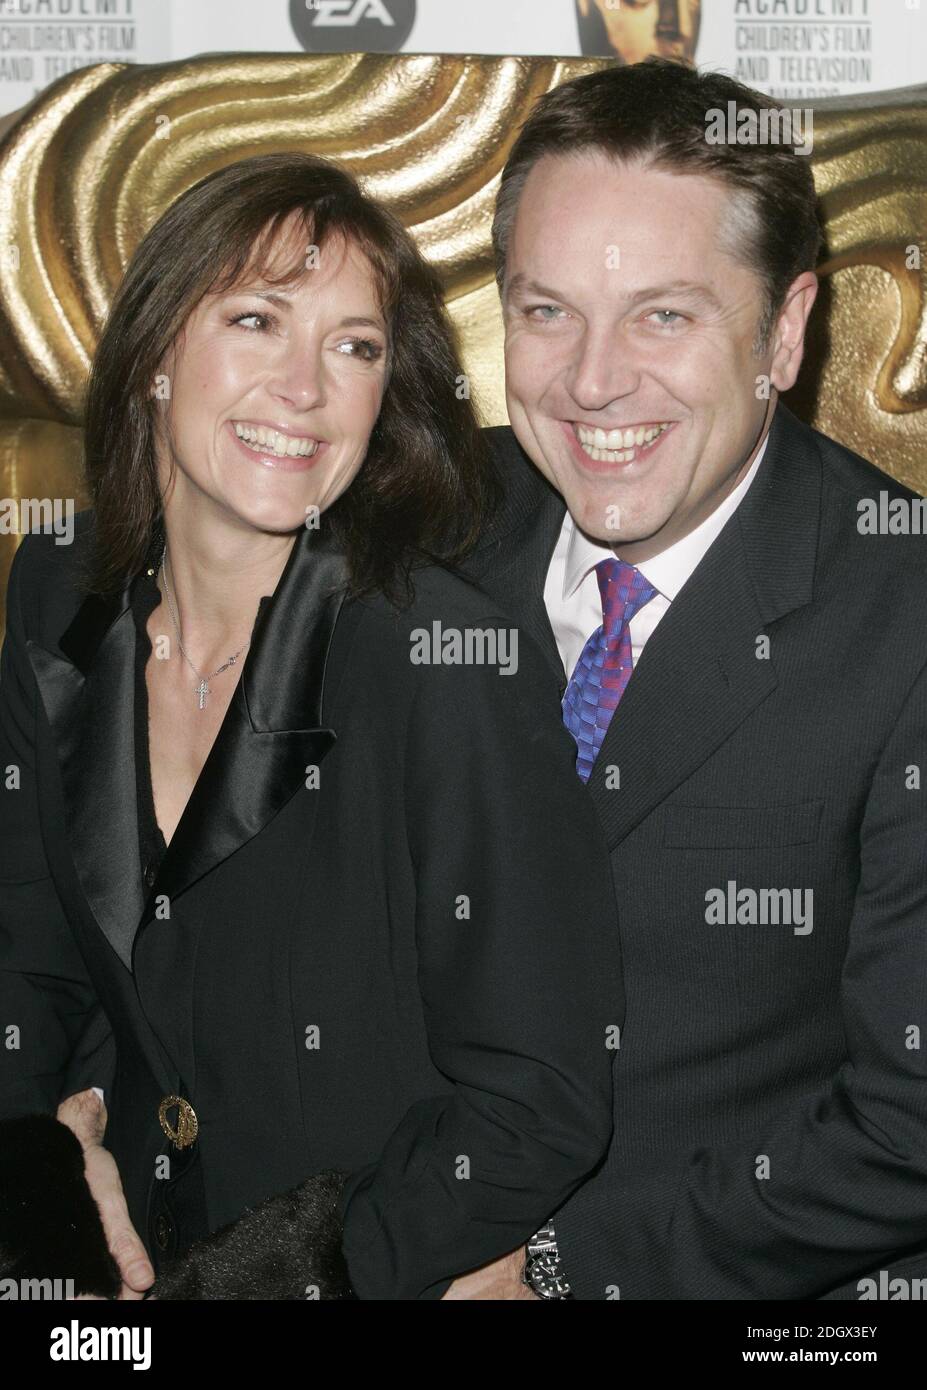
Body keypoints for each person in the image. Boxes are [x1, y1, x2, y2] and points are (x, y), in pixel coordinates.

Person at [0, 152, 624, 1300]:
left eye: (355, 347)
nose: (306, 387)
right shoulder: (59, 591)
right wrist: (42, 1170)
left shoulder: (441, 661)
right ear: (153, 355)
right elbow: (26, 952)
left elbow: (541, 1100)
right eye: (256, 320)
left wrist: (289, 1273)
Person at [460, 56, 927, 1299]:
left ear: (785, 330)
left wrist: (559, 1276)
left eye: (664, 314)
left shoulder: (908, 622)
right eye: (546, 310)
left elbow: (911, 1123)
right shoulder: (430, 528)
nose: (593, 382)